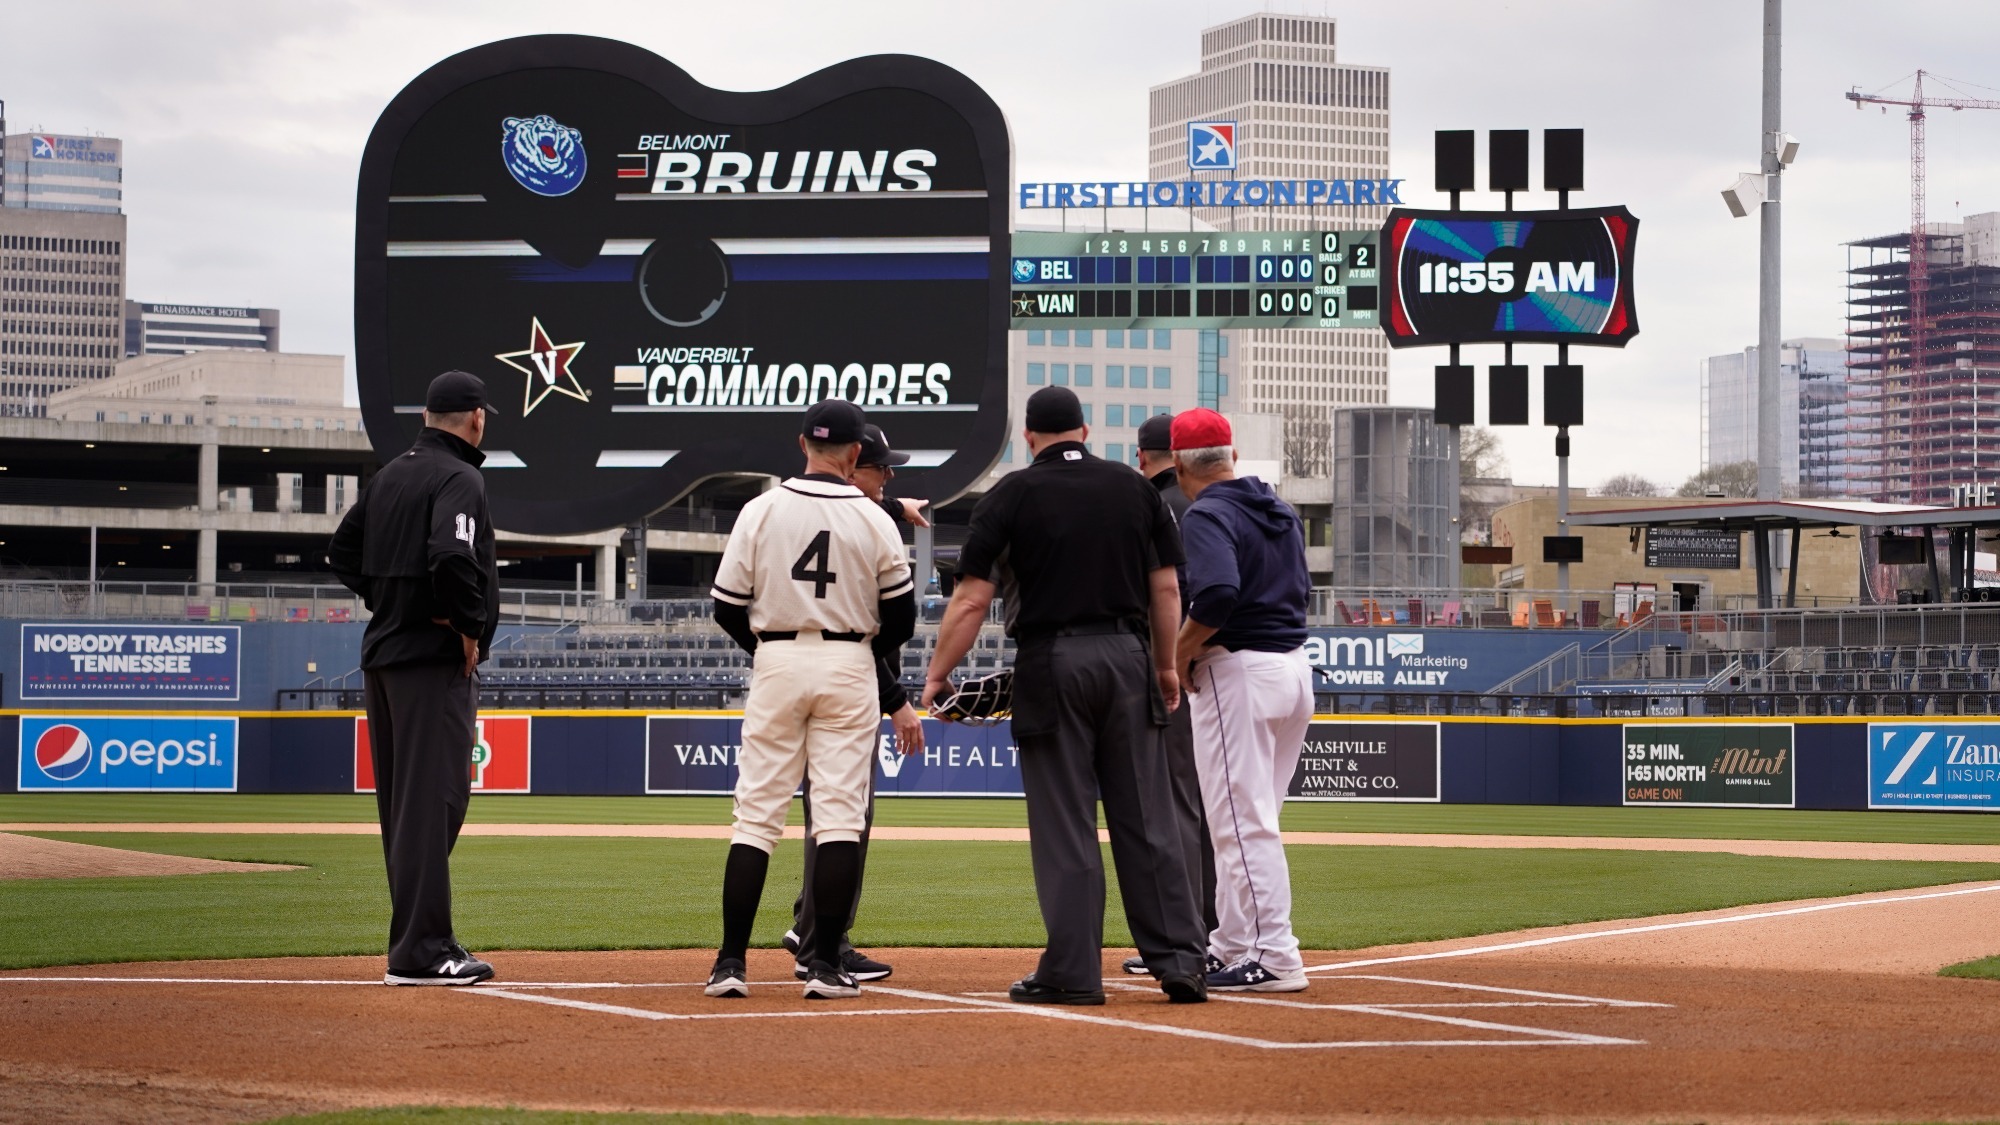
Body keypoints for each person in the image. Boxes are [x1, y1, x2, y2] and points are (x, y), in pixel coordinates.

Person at [923, 386, 1208, 1006]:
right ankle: (1181, 962)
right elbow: (1166, 592)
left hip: (1051, 662)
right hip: (1130, 657)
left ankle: (1073, 973)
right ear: (1083, 431)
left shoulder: (1011, 494)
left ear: (1029, 437)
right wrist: (1164, 667)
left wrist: (938, 674)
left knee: (1067, 827)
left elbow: (971, 599)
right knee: (1149, 820)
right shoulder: (1135, 489)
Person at [704, 399, 916, 1000]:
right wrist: (857, 647)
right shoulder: (874, 517)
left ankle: (729, 964)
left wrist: (770, 649)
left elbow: (725, 605)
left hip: (776, 656)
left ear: (803, 445)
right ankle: (824, 966)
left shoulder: (761, 508)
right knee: (840, 818)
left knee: (756, 817)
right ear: (855, 454)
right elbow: (901, 617)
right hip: (850, 662)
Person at [327, 370, 501, 986]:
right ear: (475, 417)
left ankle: (422, 940)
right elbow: (453, 556)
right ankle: (421, 952)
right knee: (436, 804)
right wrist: (466, 624)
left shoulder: (392, 474)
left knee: (408, 810)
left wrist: (393, 599)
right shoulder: (459, 475)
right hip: (431, 662)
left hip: (385, 658)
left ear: (427, 414)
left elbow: (342, 553)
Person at [1170, 408, 1313, 993]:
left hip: (1240, 671)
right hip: (1293, 668)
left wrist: (1177, 656)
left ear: (1180, 466)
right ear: (1231, 455)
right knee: (1250, 822)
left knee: (1241, 826)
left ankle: (1276, 956)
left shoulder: (1206, 512)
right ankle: (1230, 944)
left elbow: (1219, 594)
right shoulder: (1279, 508)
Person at [783, 423, 924, 982]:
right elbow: (867, 639)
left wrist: (891, 510)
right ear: (852, 461)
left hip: (802, 678)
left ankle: (813, 927)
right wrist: (897, 702)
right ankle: (822, 941)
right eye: (881, 469)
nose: (889, 479)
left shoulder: (803, 512)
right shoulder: (856, 523)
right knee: (843, 818)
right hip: (841, 686)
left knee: (835, 816)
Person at [1121, 413, 1218, 979]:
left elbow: (1157, 592)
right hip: (1221, 667)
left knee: (1176, 807)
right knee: (1210, 810)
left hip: (1171, 672)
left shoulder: (1150, 506)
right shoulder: (1212, 503)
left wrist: (1167, 663)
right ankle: (1216, 931)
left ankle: (1192, 936)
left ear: (1145, 456)